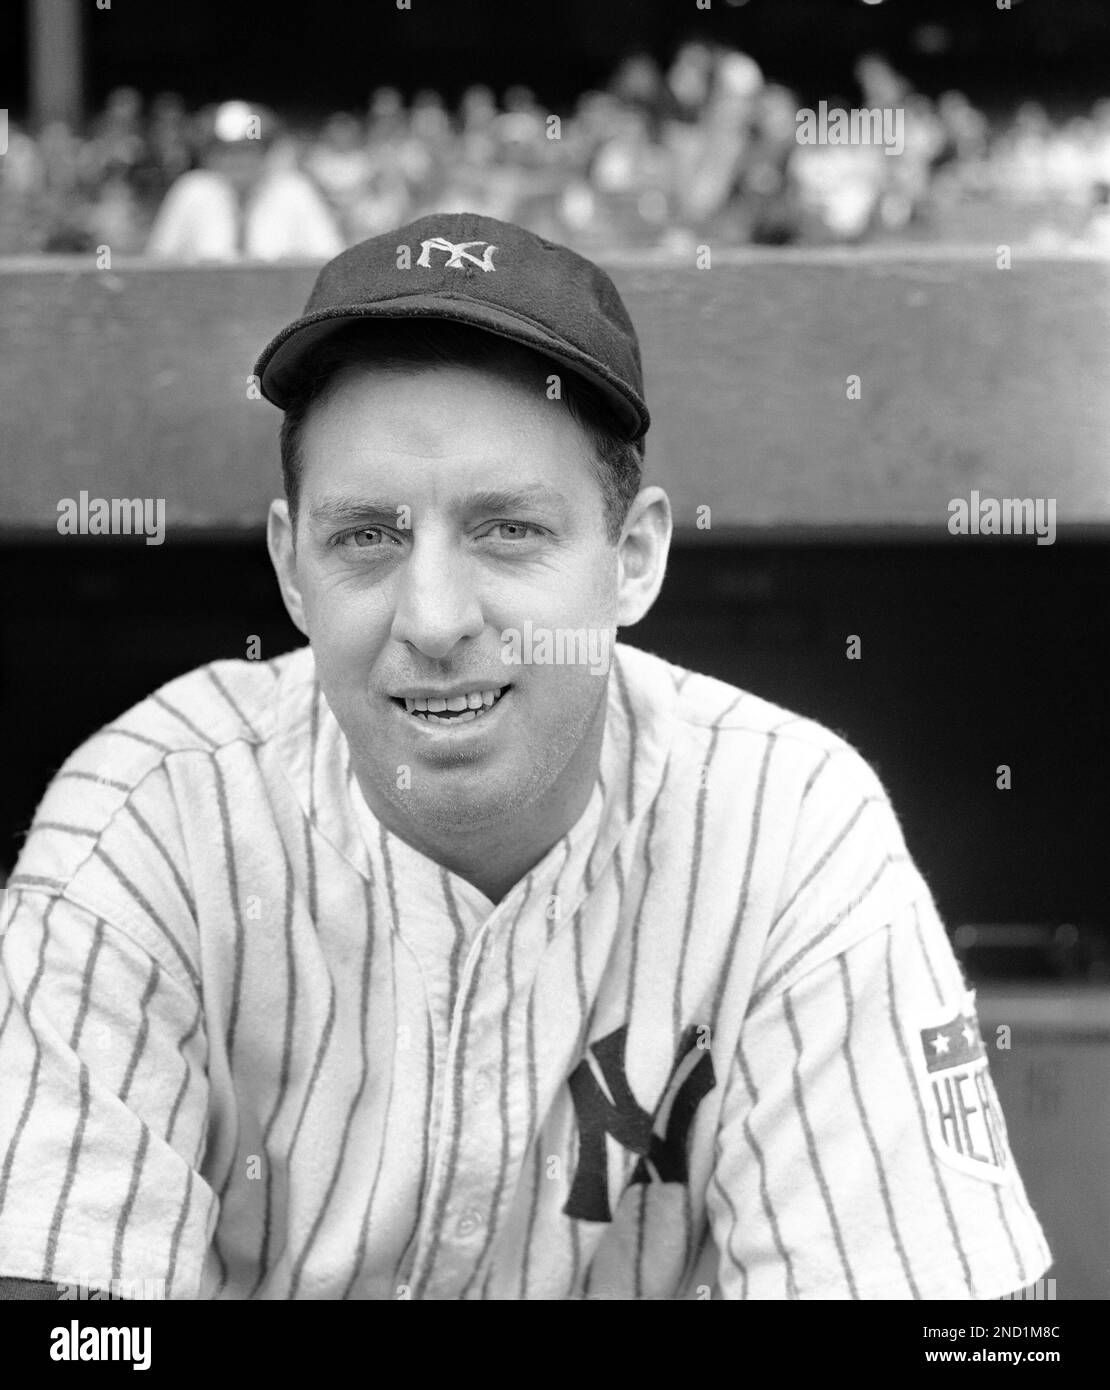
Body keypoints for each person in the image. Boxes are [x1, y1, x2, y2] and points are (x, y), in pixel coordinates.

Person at [0, 213, 1050, 1300]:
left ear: (632, 559)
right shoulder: (149, 820)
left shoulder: (789, 823)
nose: (437, 617)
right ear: (290, 569)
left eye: (507, 529)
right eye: (368, 535)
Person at [146, 100, 343, 262]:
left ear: (265, 153)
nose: (236, 161)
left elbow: (329, 256)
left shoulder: (294, 190)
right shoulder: (192, 189)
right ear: (210, 156)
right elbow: (158, 260)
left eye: (247, 150)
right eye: (225, 152)